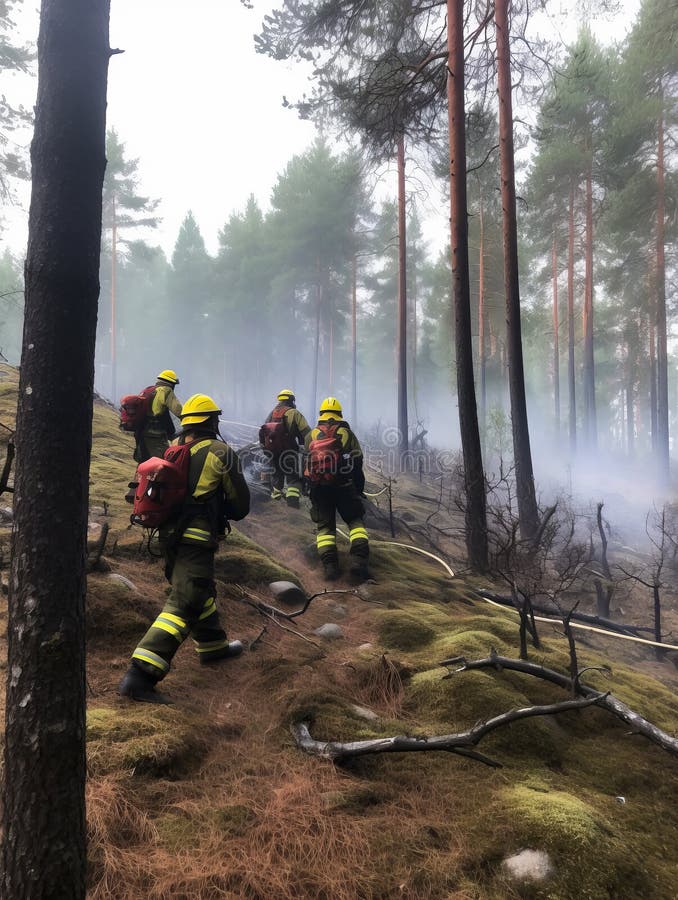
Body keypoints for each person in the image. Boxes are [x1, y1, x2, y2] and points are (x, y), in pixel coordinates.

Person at [119, 393, 250, 704]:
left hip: (168, 536)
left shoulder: (172, 449)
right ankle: (140, 675)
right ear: (212, 421)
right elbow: (240, 505)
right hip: (197, 538)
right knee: (186, 599)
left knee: (198, 589)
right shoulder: (221, 452)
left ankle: (213, 646)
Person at [305, 396, 369, 582]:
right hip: (344, 486)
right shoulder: (347, 433)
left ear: (321, 414)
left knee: (325, 528)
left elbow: (305, 463)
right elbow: (357, 463)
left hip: (319, 488)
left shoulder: (311, 435)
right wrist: (359, 489)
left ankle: (330, 567)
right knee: (355, 522)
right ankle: (358, 561)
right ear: (340, 414)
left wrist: (309, 487)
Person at [259, 388, 311, 508]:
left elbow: (263, 432)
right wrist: (309, 449)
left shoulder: (272, 414)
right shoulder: (294, 413)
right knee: (293, 479)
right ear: (292, 400)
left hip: (273, 453)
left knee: (277, 477)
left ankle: (275, 505)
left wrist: (266, 450)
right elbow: (307, 434)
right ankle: (292, 505)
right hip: (289, 453)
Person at [135, 369, 183, 463]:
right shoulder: (166, 391)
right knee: (162, 462)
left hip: (141, 432)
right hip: (156, 434)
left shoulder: (149, 390)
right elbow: (179, 411)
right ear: (171, 383)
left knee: (145, 461)